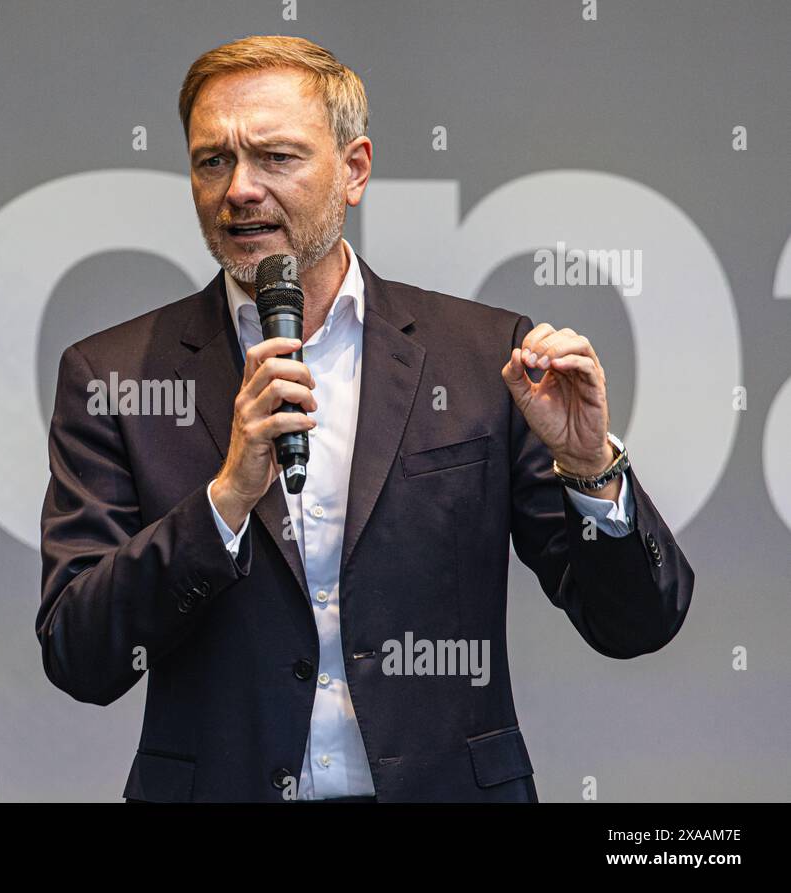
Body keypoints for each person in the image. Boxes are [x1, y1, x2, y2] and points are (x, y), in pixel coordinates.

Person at [36, 35, 694, 802]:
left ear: (355, 170)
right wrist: (224, 502)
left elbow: (636, 624)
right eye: (212, 160)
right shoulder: (116, 375)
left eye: (276, 157)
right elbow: (80, 654)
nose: (239, 189)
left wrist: (591, 470)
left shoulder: (483, 356)